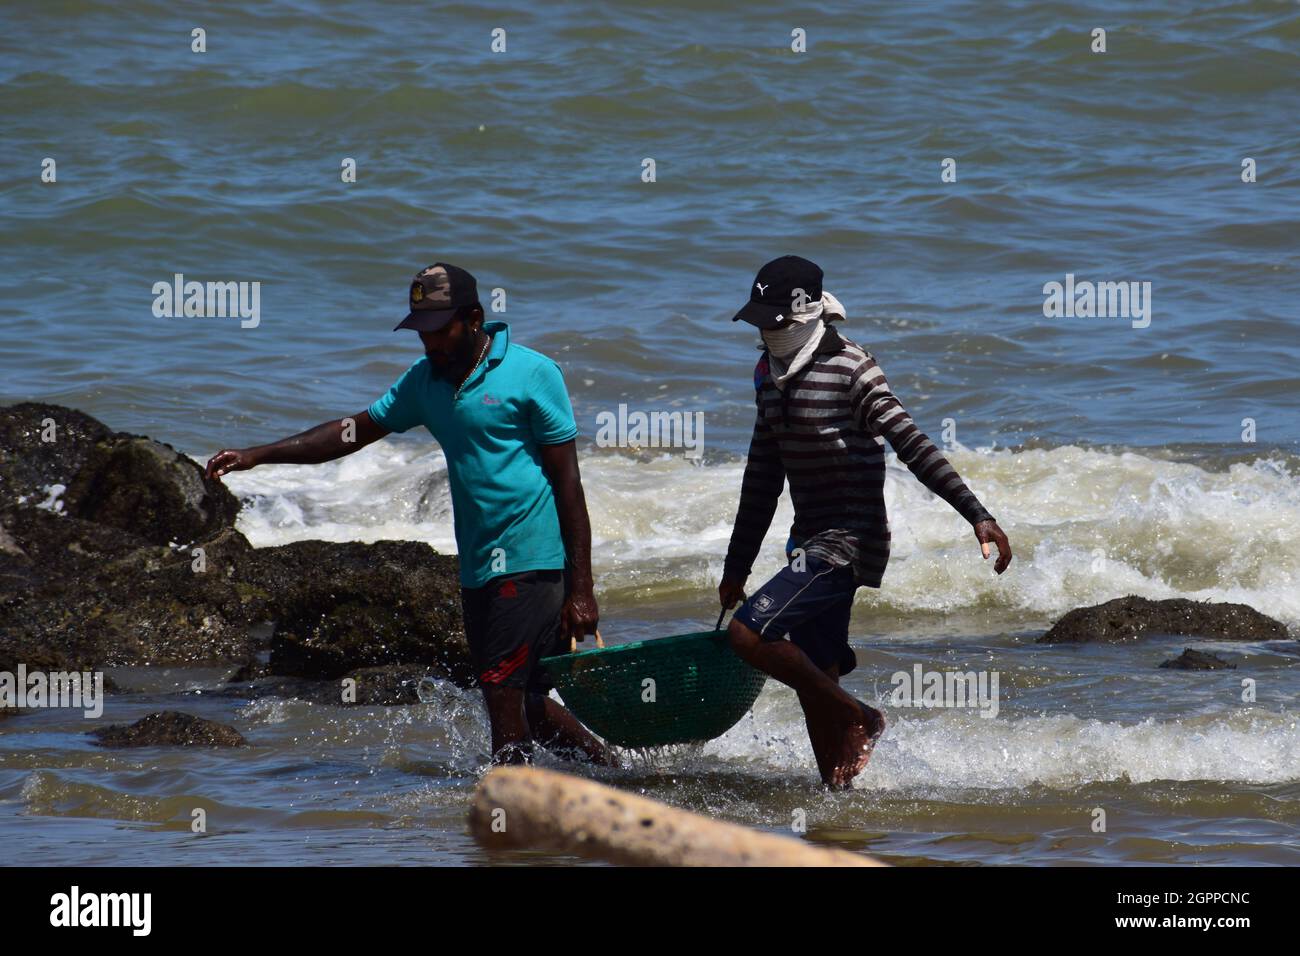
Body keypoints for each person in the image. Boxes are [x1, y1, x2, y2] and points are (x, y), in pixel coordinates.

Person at [206, 262, 615, 767]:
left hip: (532, 562)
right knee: (525, 701)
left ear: (473, 319)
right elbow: (349, 431)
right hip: (479, 565)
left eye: (439, 331)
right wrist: (258, 455)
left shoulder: (533, 374)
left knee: (499, 695)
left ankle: (506, 817)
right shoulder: (424, 382)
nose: (430, 344)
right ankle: (616, 777)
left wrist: (582, 588)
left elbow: (569, 487)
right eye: (421, 333)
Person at [718, 255, 1012, 789]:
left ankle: (862, 716)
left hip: (851, 542)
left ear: (806, 315)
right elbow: (762, 478)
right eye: (758, 321)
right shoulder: (767, 376)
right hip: (806, 543)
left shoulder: (853, 368)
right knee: (815, 674)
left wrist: (978, 514)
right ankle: (836, 808)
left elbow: (913, 443)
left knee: (749, 633)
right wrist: (735, 568)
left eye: (773, 322)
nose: (765, 331)